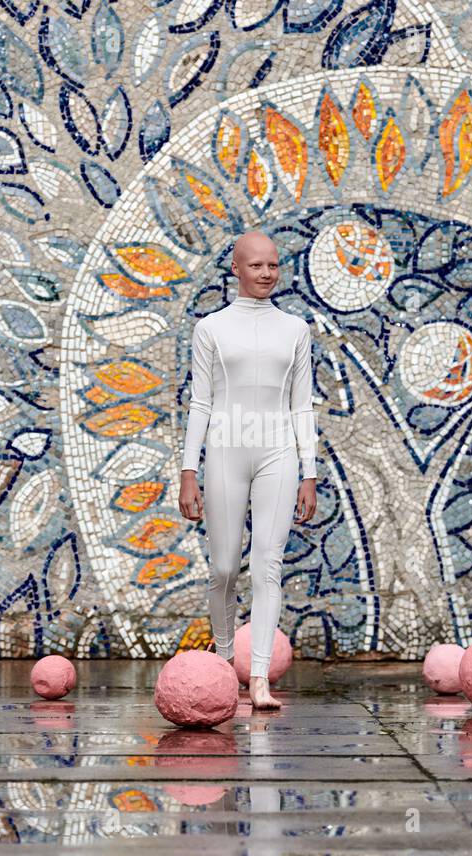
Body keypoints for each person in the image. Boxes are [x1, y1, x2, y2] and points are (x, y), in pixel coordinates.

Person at [178, 231, 318, 709]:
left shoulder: (295, 330)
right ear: (236, 268)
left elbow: (303, 407)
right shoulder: (211, 328)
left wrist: (309, 471)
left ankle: (258, 678)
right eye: (256, 265)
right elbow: (200, 402)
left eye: (273, 265)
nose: (266, 273)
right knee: (222, 569)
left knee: (267, 566)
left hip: (278, 453)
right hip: (224, 450)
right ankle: (222, 663)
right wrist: (187, 471)